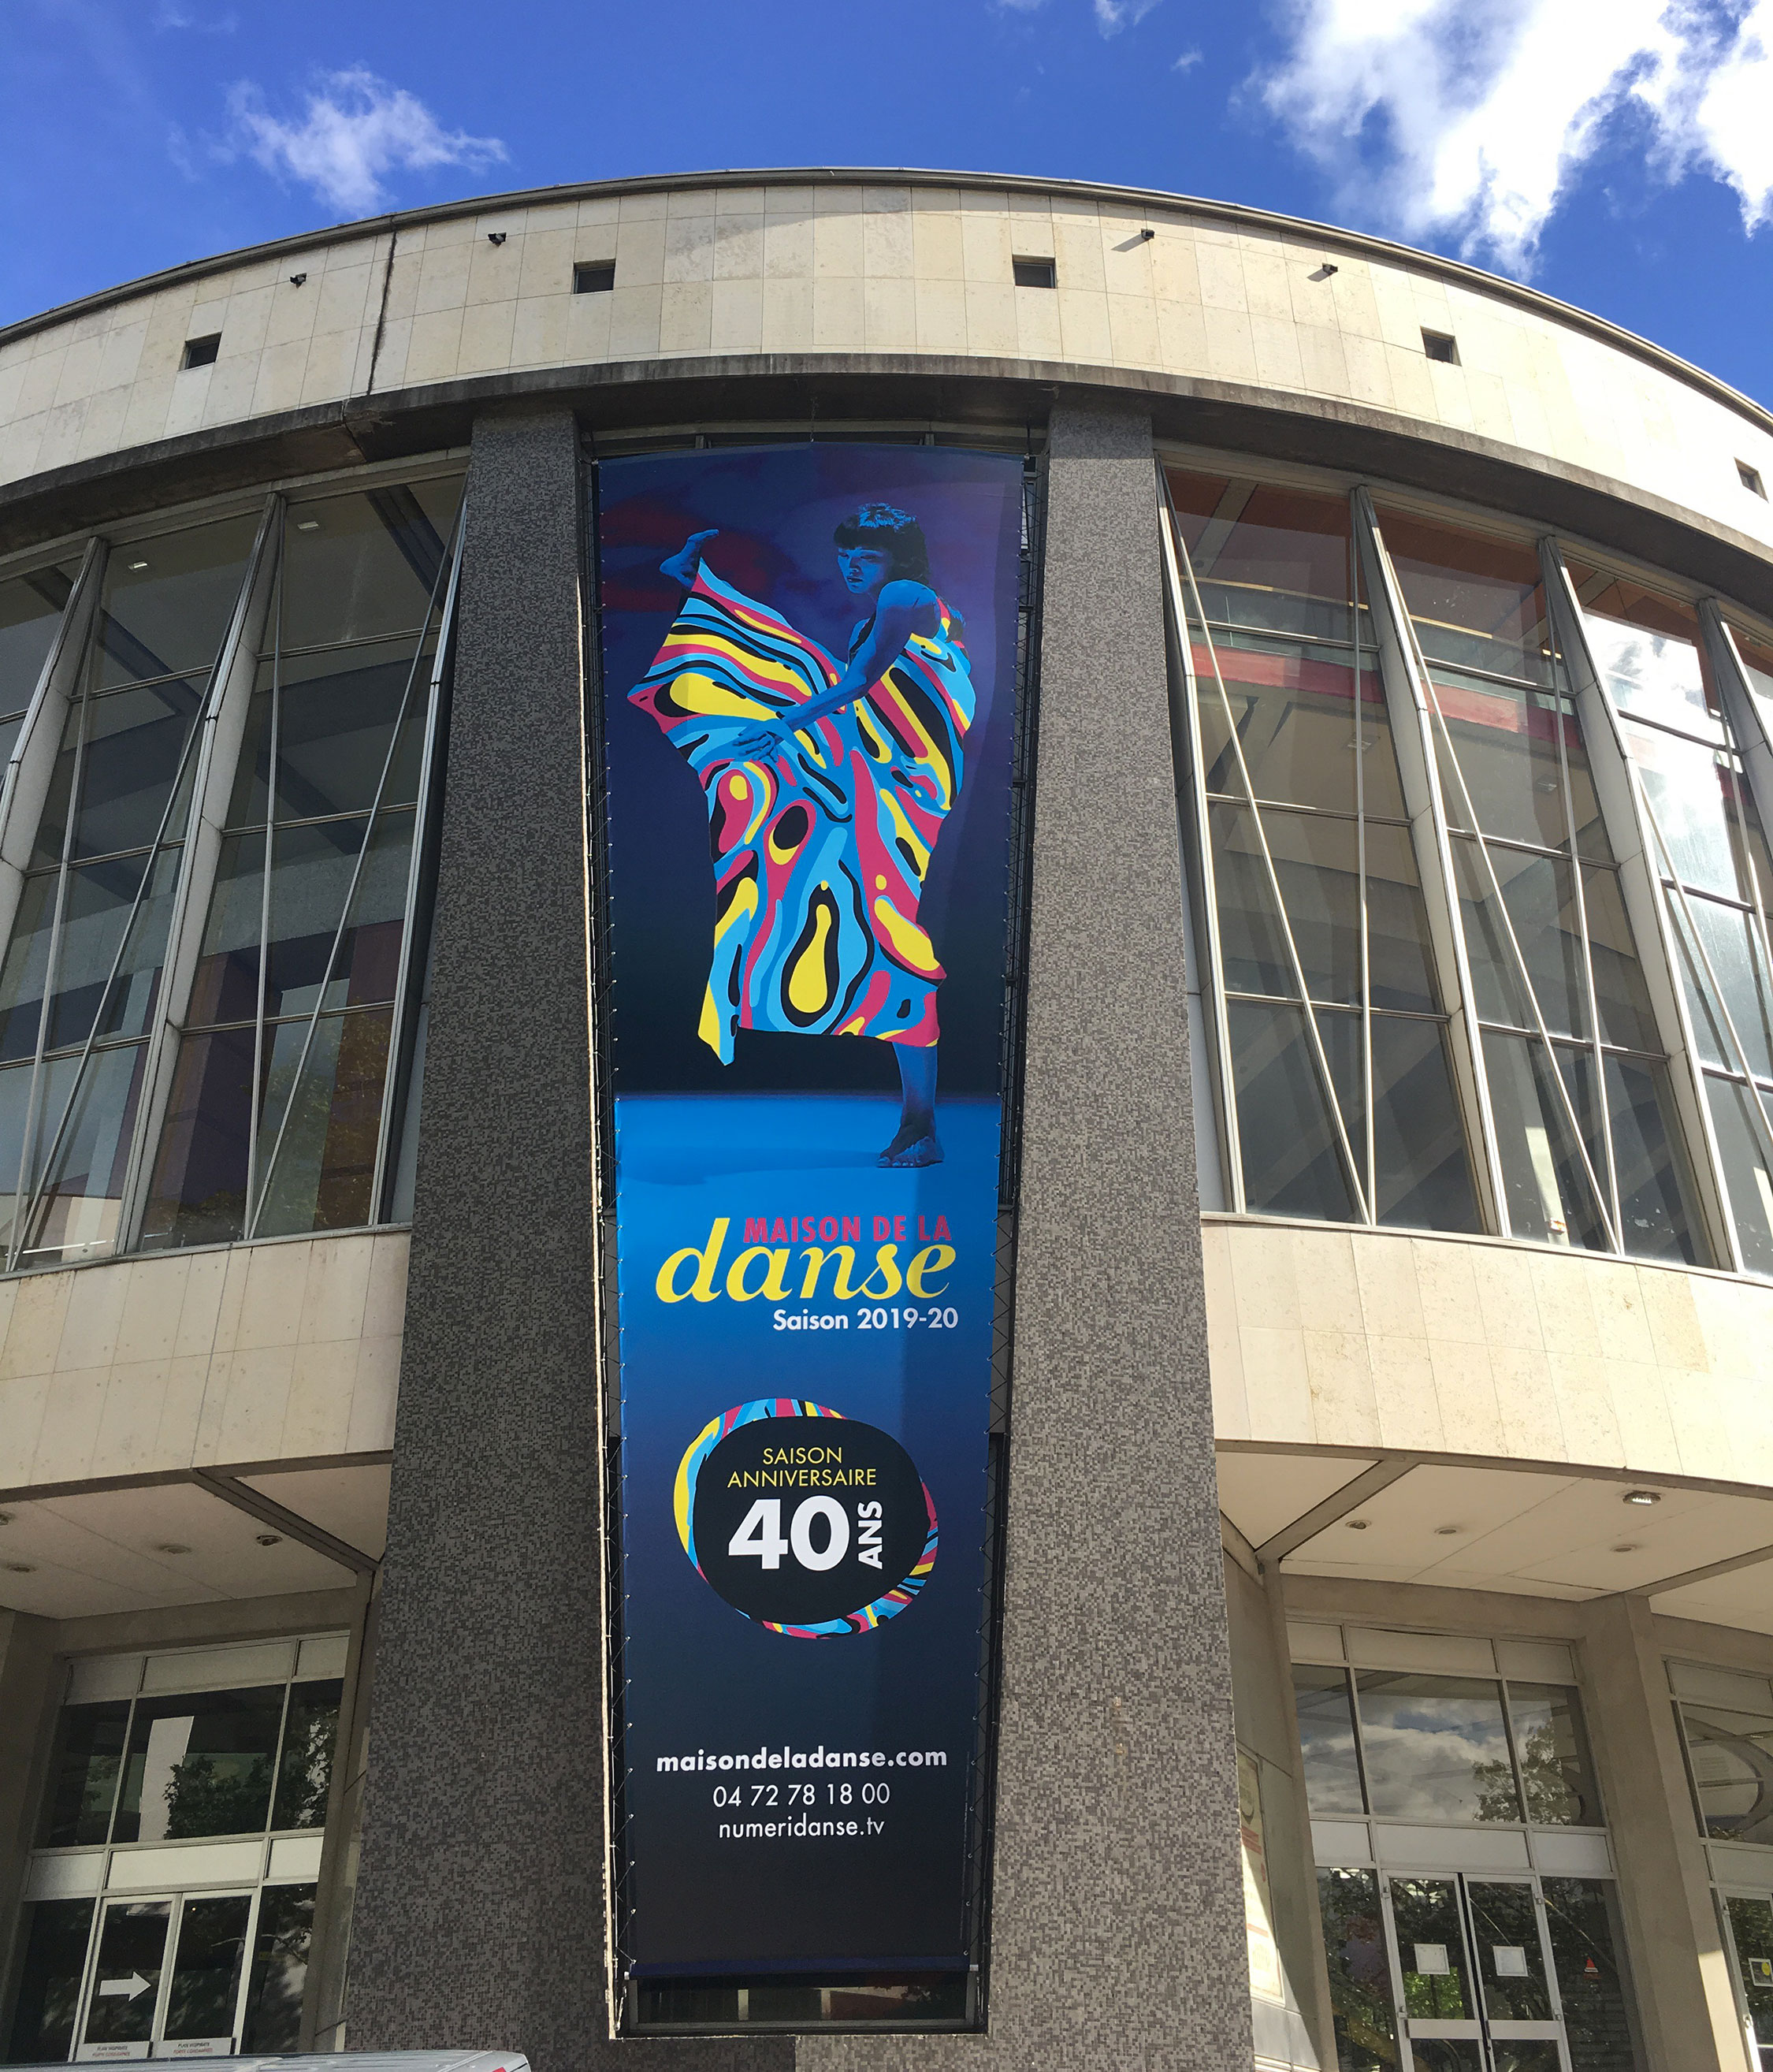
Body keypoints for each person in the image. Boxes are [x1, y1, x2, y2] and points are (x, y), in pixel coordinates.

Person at [631, 502, 974, 1166]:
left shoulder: (906, 595)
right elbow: (853, 689)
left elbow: (864, 681)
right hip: (877, 770)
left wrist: (790, 724)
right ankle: (918, 1123)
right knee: (866, 917)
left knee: (889, 923)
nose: (850, 566)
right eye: (845, 553)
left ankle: (921, 1124)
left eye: (865, 557)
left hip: (909, 777)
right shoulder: (873, 615)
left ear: (895, 563)